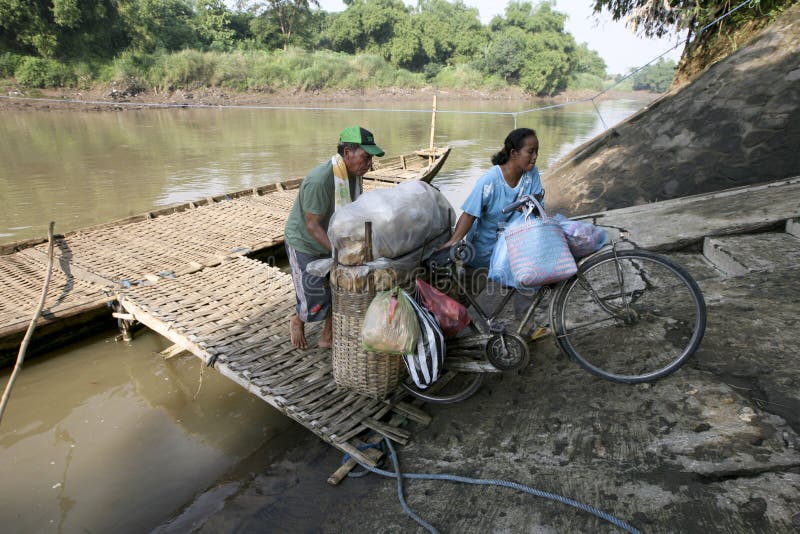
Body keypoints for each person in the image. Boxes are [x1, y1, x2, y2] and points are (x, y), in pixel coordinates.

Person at [284, 126, 385, 349]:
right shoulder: (320, 180)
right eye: (366, 157)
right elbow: (312, 225)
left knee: (338, 290)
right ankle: (297, 319)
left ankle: (327, 337)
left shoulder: (354, 176)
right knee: (315, 299)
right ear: (347, 152)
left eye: (371, 159)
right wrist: (340, 254)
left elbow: (356, 212)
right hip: (306, 243)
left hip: (332, 237)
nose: (369, 165)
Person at [439, 127, 546, 333]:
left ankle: (527, 327)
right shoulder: (490, 181)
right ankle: (452, 329)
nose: (534, 156)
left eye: (536, 151)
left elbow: (536, 205)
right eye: (530, 151)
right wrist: (454, 241)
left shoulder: (531, 175)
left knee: (527, 280)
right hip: (484, 249)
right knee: (468, 293)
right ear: (514, 153)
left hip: (513, 247)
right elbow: (470, 213)